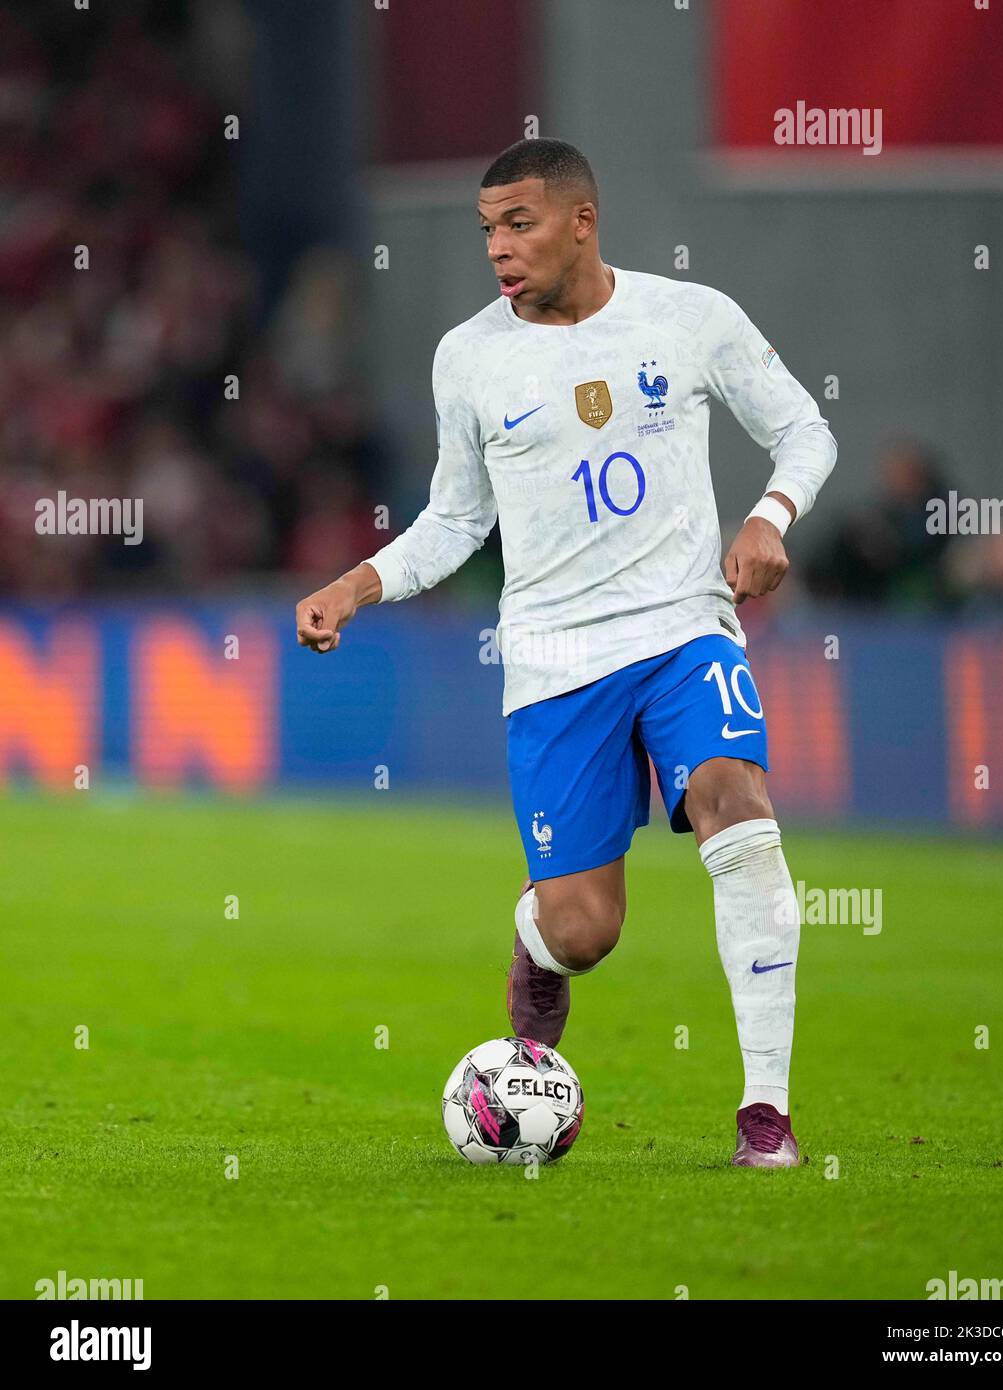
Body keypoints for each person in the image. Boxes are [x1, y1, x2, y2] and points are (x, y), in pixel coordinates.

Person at [295, 138, 837, 1168]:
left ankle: (762, 1115)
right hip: (552, 662)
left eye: (519, 224)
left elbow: (803, 429)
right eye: (486, 229)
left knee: (737, 805)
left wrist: (770, 516)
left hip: (683, 629)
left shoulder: (689, 318)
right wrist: (353, 585)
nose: (498, 248)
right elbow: (454, 522)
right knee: (585, 930)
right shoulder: (469, 356)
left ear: (581, 221)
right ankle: (536, 934)